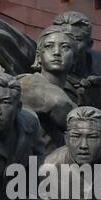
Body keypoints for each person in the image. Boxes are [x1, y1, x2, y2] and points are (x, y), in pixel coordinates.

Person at [16, 25, 79, 153]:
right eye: (49, 46)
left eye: (65, 47)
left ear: (74, 60)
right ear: (38, 57)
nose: (57, 52)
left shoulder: (71, 93)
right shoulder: (27, 84)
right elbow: (58, 103)